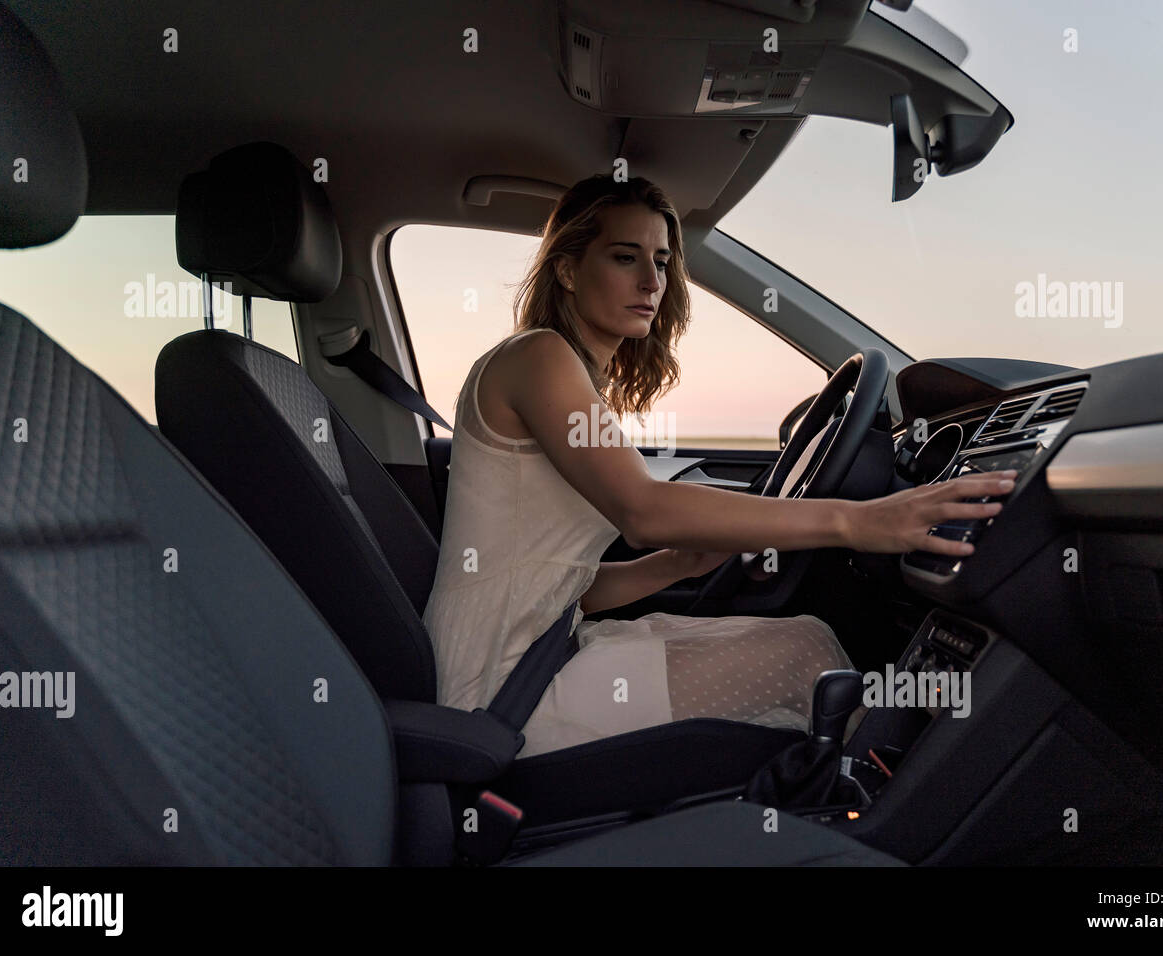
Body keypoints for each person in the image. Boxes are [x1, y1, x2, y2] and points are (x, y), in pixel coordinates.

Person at [422, 173, 1014, 758]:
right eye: (625, 257)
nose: (651, 280)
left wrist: (679, 564)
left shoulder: (566, 376)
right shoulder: (540, 355)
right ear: (569, 270)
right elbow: (644, 510)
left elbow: (565, 587)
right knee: (806, 661)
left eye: (660, 260)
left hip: (545, 649)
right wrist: (856, 521)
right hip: (498, 689)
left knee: (808, 649)